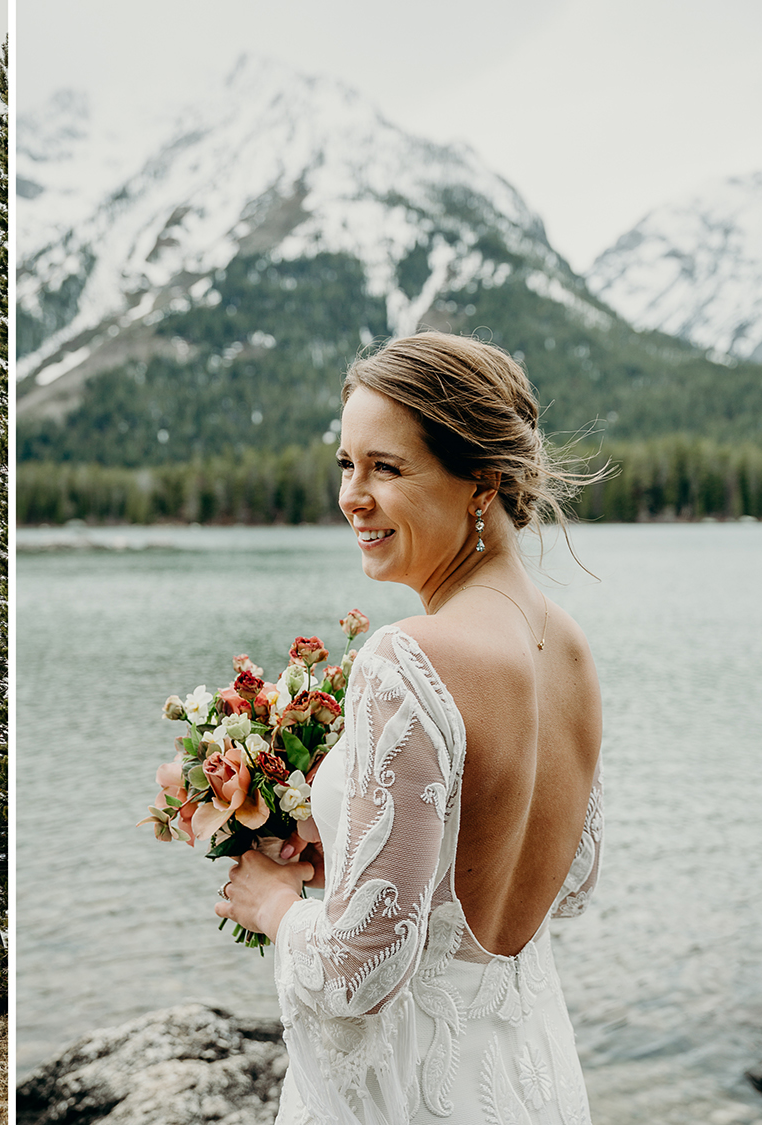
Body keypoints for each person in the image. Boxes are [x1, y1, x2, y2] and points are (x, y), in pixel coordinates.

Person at [216, 332, 604, 1124]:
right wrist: (362, 851)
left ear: (480, 483)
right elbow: (567, 885)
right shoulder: (570, 647)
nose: (351, 496)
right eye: (346, 464)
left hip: (414, 1095)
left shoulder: (407, 656)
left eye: (385, 468)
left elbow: (357, 974)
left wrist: (274, 902)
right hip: (533, 1079)